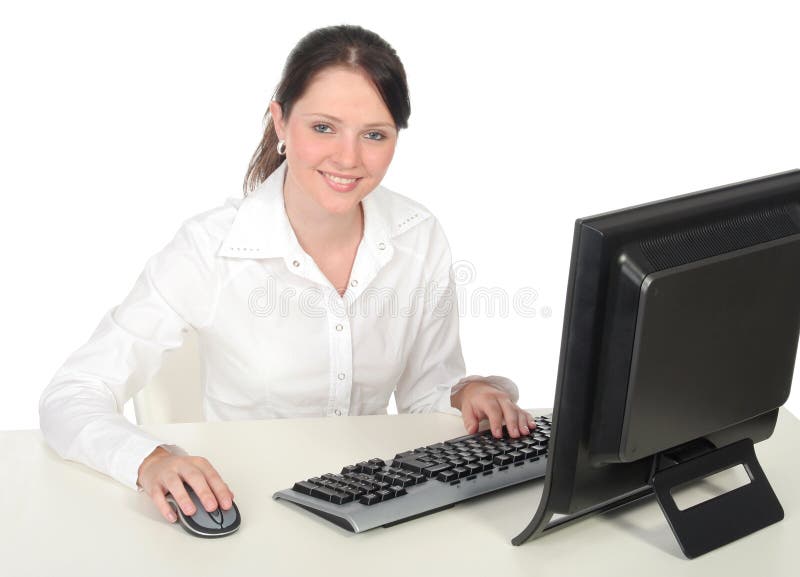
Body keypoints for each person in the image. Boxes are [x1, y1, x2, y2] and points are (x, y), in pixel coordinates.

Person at [39, 25, 534, 526]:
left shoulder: (418, 236)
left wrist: (464, 394)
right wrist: (148, 460)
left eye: (374, 135)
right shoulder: (209, 249)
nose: (348, 158)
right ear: (280, 121)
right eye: (323, 127)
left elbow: (425, 395)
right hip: (250, 505)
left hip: (376, 505)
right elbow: (73, 393)